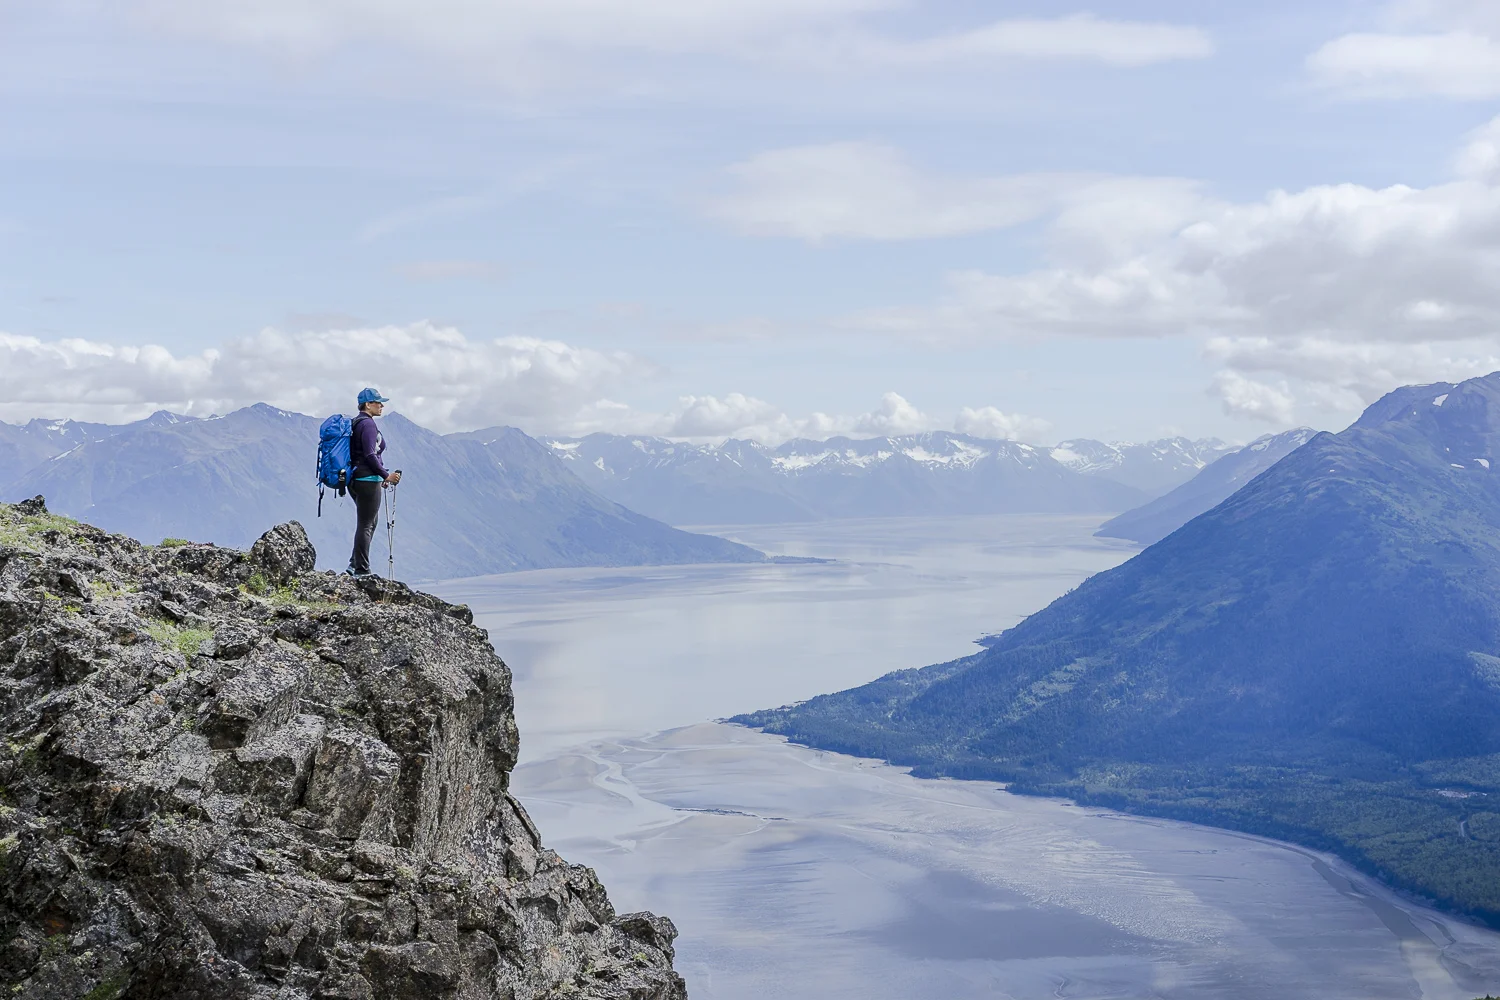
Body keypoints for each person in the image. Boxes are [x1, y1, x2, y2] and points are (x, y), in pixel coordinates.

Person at [347, 387, 401, 577]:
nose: (382, 405)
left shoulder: (356, 423)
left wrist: (382, 475)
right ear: (368, 405)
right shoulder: (368, 424)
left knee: (370, 521)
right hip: (367, 479)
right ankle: (360, 569)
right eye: (378, 402)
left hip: (356, 479)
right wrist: (386, 475)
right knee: (366, 524)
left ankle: (354, 563)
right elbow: (370, 454)